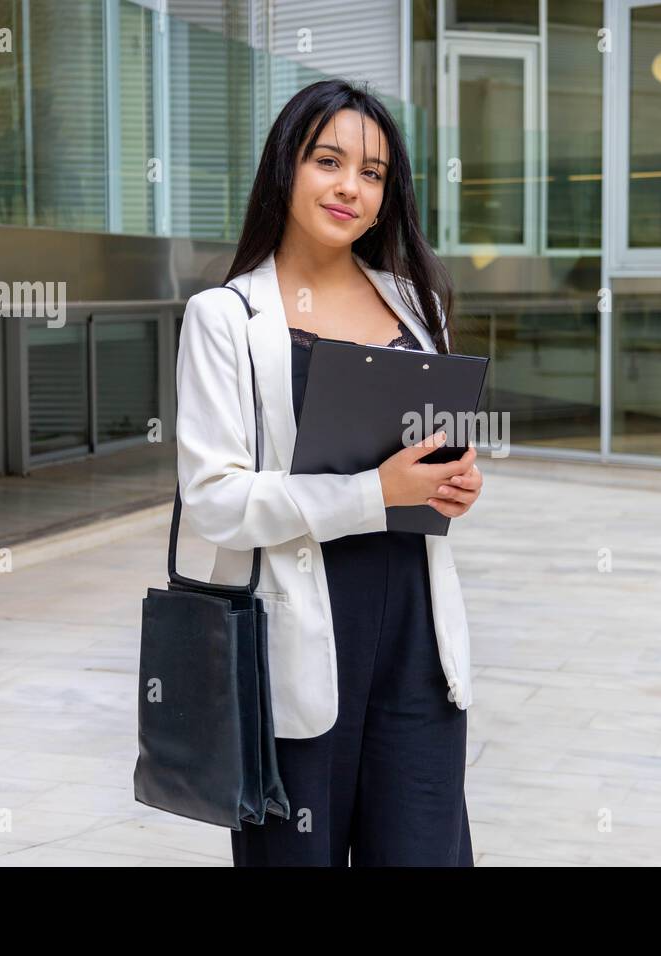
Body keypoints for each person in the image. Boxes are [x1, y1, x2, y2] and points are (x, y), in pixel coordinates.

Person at [174, 78, 484, 866]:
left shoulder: (419, 306)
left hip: (416, 636)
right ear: (287, 168)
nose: (350, 187)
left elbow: (429, 450)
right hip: (296, 641)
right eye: (329, 161)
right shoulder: (227, 318)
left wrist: (453, 482)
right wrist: (375, 492)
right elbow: (216, 502)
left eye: (373, 173)